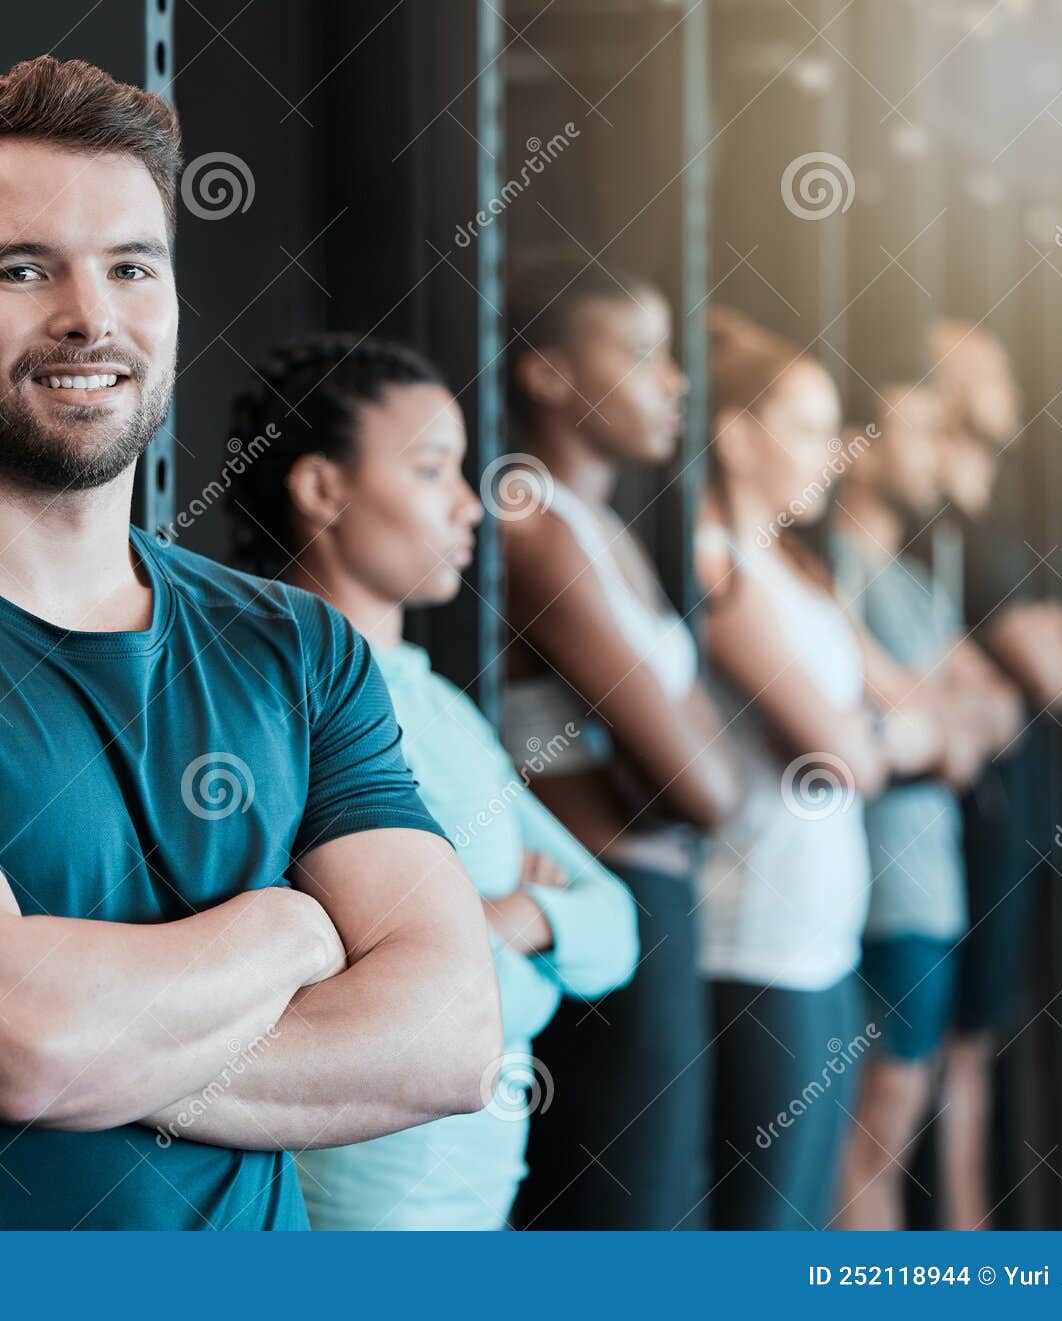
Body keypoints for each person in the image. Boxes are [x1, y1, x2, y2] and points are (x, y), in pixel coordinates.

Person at [0, 57, 502, 1231]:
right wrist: (291, 928)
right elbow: (20, 1046)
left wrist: (105, 1053)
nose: (90, 317)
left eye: (131, 267)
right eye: (23, 269)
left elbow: (451, 1039)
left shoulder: (296, 647)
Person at [222, 332, 638, 1230]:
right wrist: (505, 959)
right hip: (361, 1197)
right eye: (431, 470)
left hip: (477, 1191)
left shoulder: (438, 702)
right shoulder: (278, 695)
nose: (469, 507)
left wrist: (506, 922)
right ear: (323, 487)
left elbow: (614, 922)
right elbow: (329, 982)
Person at [498, 257, 741, 1230]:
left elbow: (691, 757)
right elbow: (705, 787)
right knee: (622, 1224)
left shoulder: (600, 524)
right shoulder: (533, 521)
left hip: (650, 894)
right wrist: (672, 775)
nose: (674, 383)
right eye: (639, 354)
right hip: (608, 899)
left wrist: (675, 770)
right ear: (549, 375)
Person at [695, 311, 944, 1230]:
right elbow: (842, 751)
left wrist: (872, 732)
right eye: (804, 428)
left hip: (822, 945)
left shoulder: (796, 566)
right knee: (762, 1230)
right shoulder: (714, 563)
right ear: (734, 433)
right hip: (752, 945)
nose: (829, 454)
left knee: (803, 1217)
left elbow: (923, 717)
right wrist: (874, 735)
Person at [827, 383, 1022, 1230]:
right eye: (917, 432)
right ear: (860, 446)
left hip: (927, 894)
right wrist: (939, 721)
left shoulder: (909, 581)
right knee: (864, 1150)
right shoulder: (828, 567)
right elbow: (896, 723)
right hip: (879, 898)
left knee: (892, 1145)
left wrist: (933, 722)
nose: (936, 451)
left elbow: (1002, 712)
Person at [929, 319, 1062, 1229]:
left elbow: (1057, 672)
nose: (1009, 380)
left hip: (1012, 803)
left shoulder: (1002, 517)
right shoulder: (944, 529)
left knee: (970, 1046)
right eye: (985, 366)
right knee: (931, 1053)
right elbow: (1052, 667)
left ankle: (970, 1247)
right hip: (955, 818)